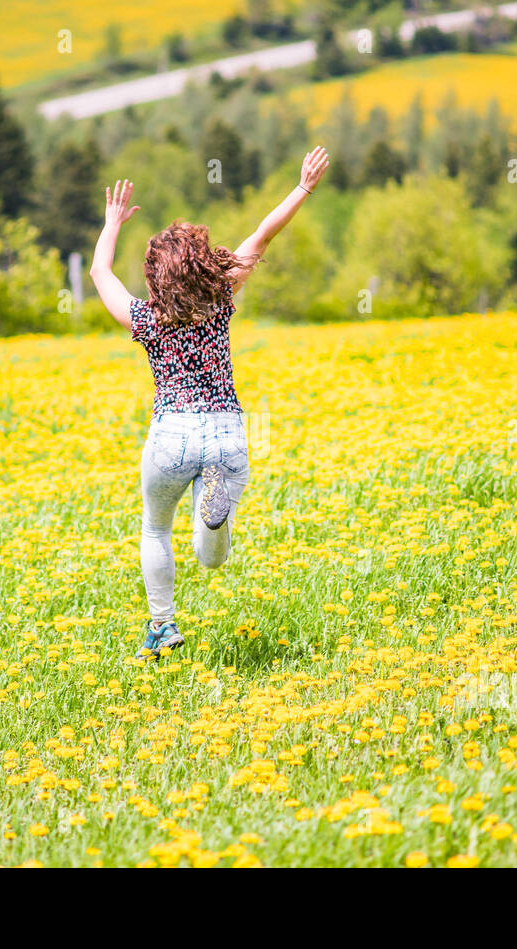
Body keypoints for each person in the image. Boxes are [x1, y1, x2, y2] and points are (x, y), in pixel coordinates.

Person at [89, 146, 330, 660]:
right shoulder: (220, 298)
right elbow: (263, 233)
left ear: (157, 278)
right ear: (200, 263)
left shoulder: (146, 320)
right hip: (224, 431)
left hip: (171, 433)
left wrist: (112, 223)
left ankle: (162, 625)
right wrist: (304, 187)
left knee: (155, 526)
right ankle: (212, 520)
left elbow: (98, 275)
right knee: (211, 556)